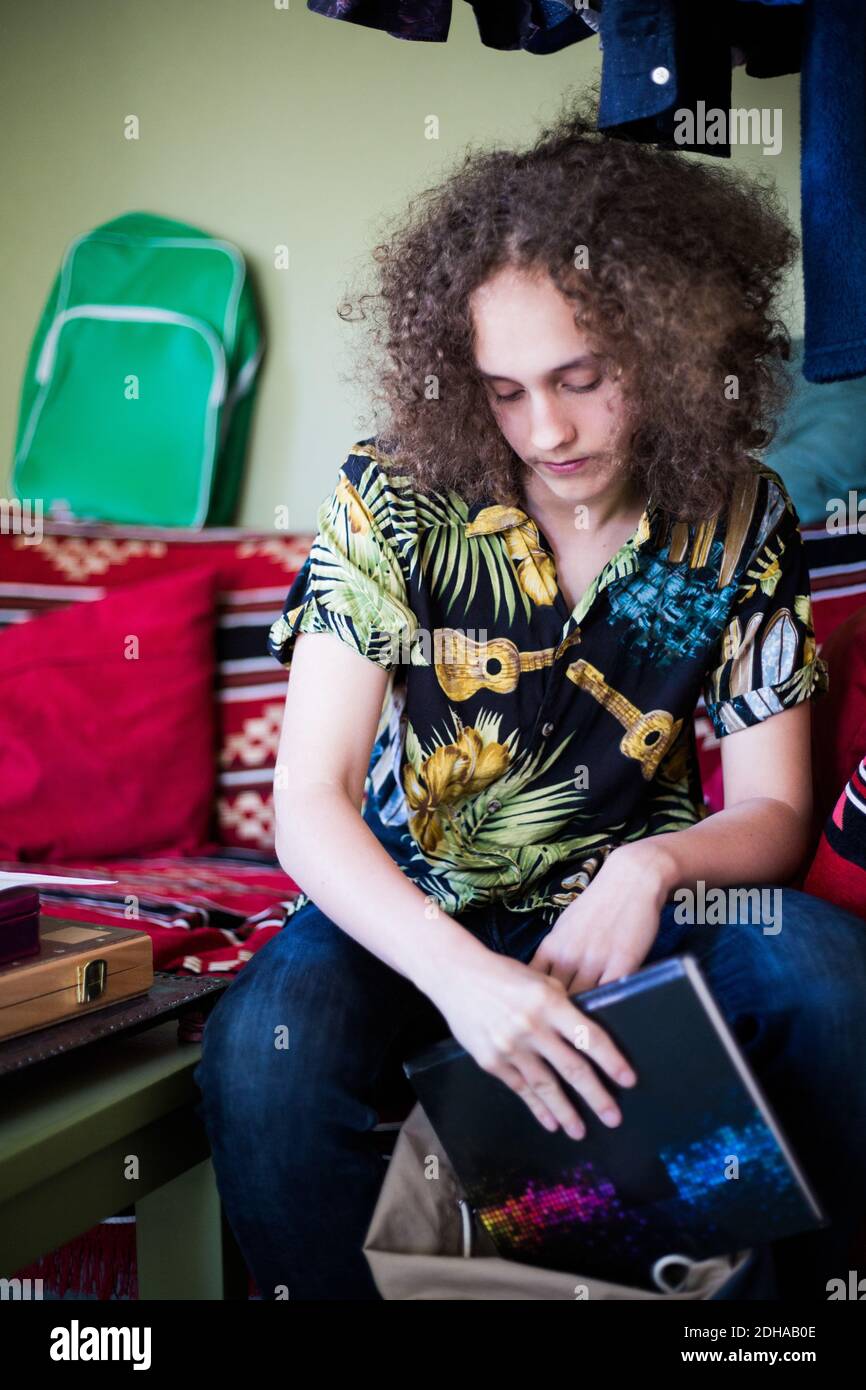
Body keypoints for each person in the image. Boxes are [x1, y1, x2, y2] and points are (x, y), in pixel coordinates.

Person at [193, 98, 866, 1302]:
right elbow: (309, 802)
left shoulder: (741, 509)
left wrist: (650, 869)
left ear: (664, 345)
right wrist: (459, 977)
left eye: (581, 378)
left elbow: (774, 806)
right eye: (503, 390)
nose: (545, 429)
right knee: (262, 1060)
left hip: (636, 908)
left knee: (830, 982)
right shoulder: (392, 493)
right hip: (410, 902)